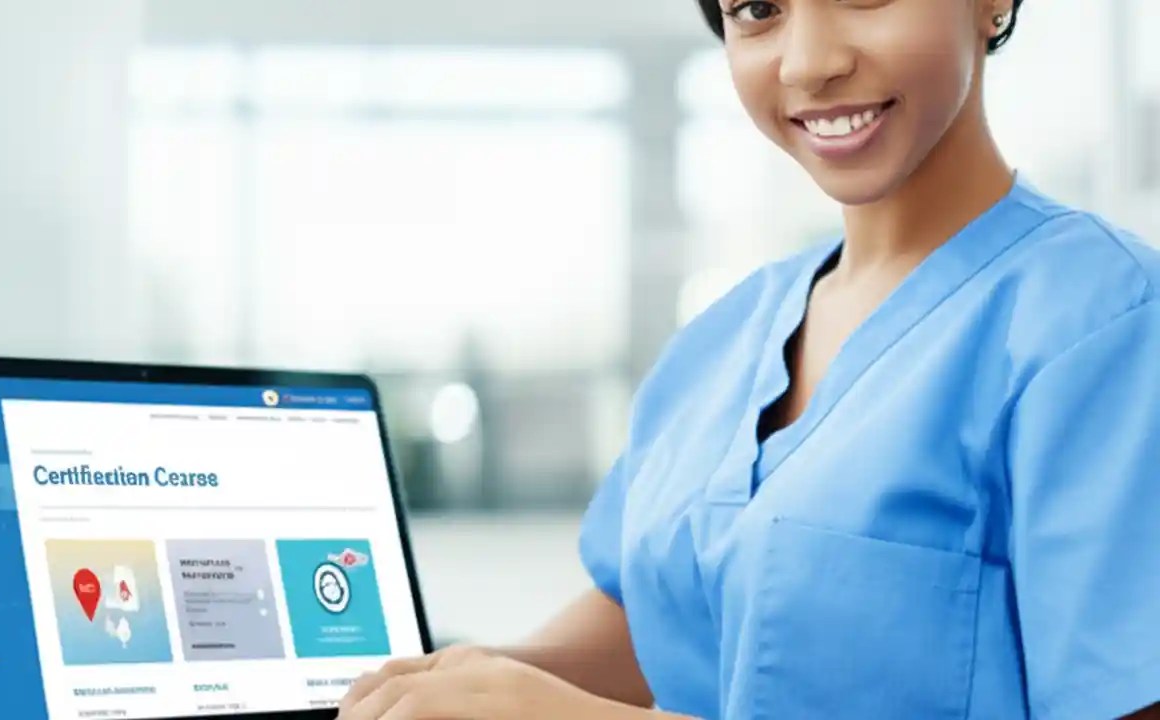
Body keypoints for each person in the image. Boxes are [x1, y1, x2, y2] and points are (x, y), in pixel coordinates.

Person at [339, 0, 1160, 717]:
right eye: (757, 8)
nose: (809, 62)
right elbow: (665, 604)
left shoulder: (1104, 321)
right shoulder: (725, 336)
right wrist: (463, 685)